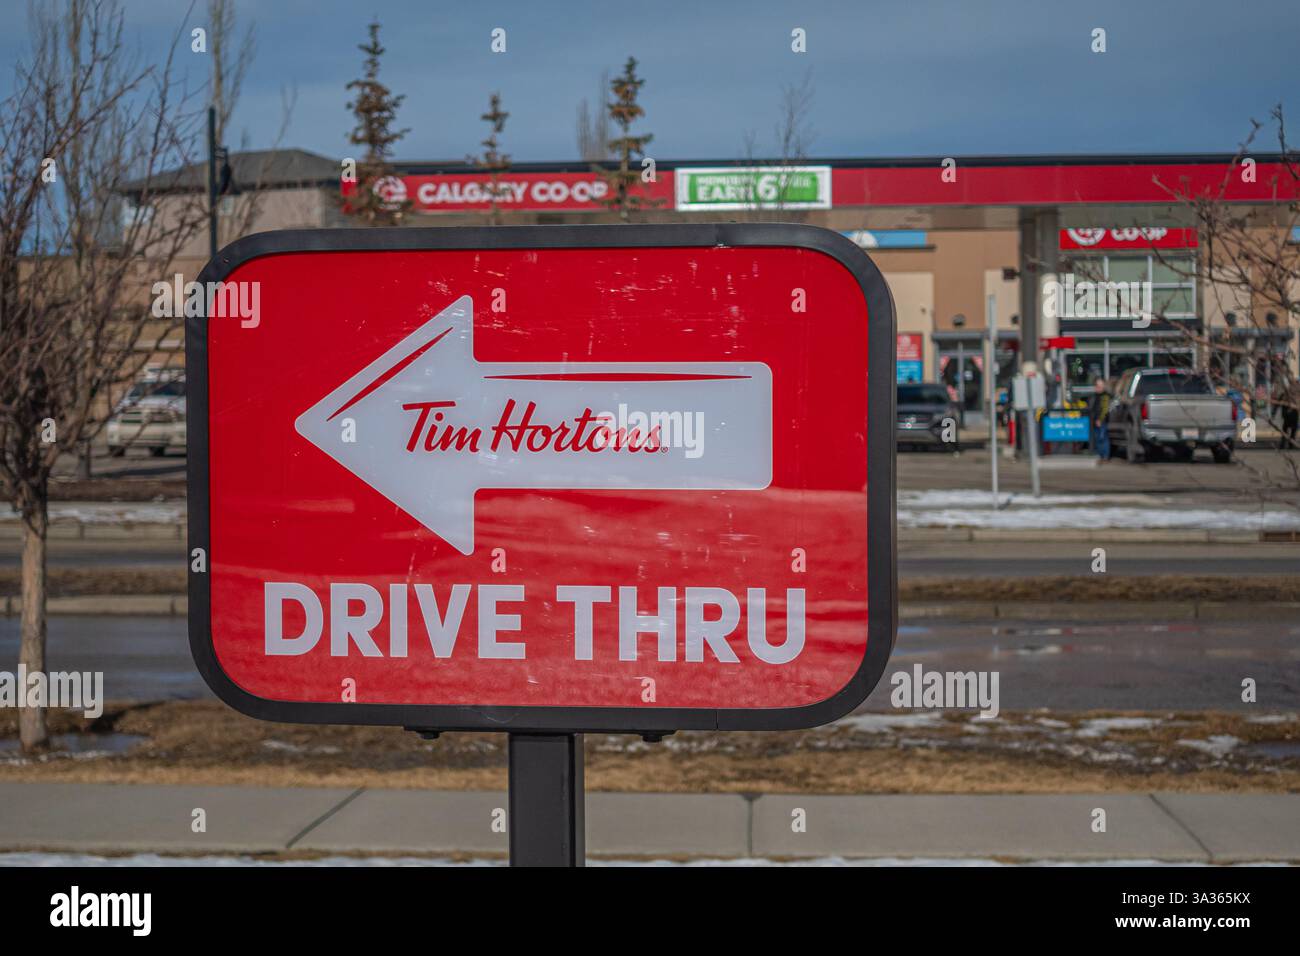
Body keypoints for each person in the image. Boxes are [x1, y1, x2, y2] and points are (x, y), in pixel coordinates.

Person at [1088, 377, 1111, 459]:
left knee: (1102, 438)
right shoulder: (1094, 396)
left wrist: (1100, 420)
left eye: (1099, 386)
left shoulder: (1105, 396)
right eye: (1097, 386)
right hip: (1094, 421)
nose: (1097, 388)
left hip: (1101, 421)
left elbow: (1105, 410)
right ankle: (1100, 455)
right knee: (1097, 438)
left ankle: (1105, 456)